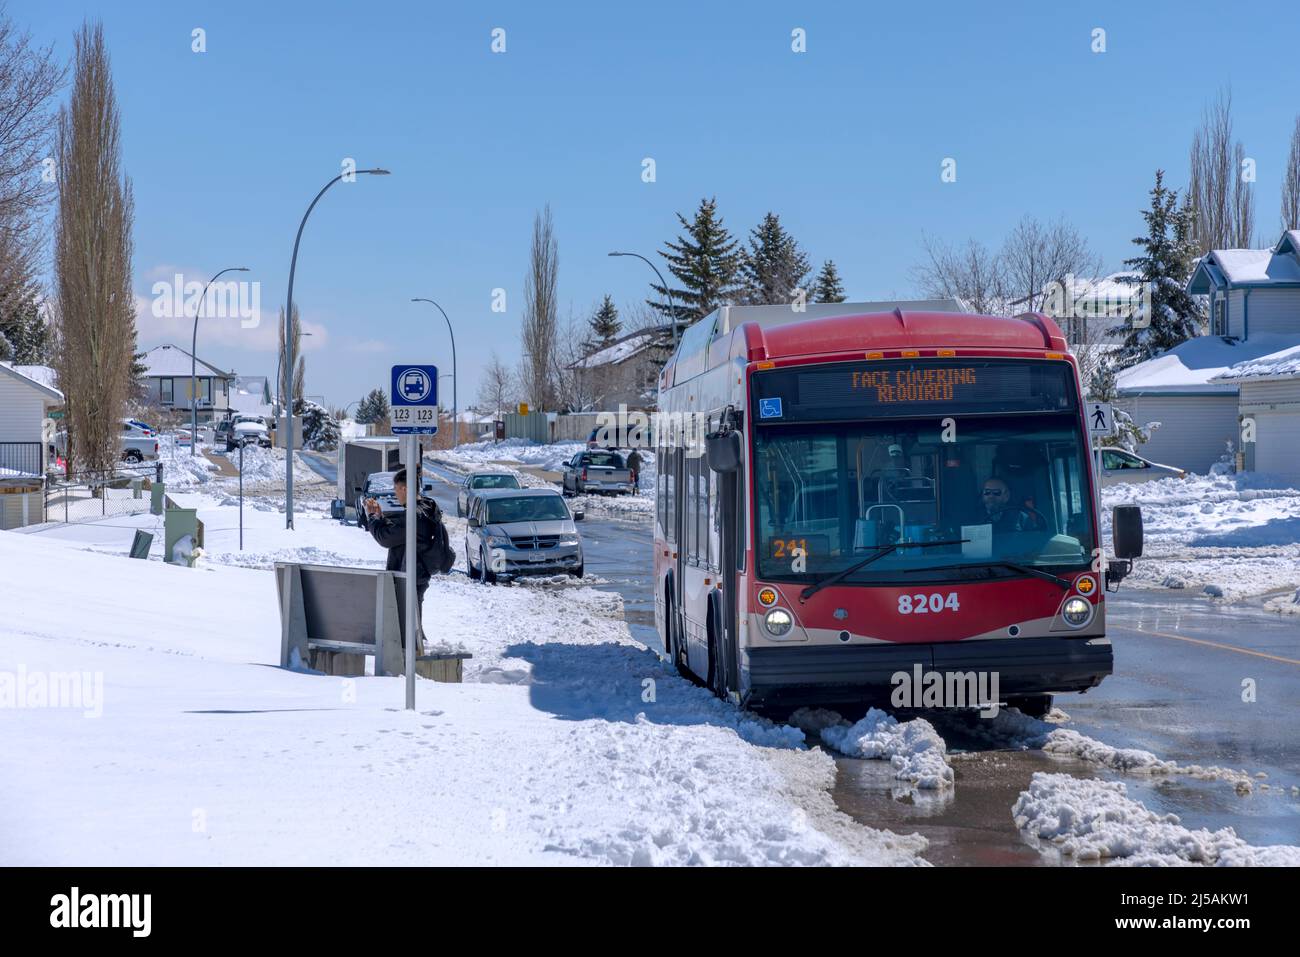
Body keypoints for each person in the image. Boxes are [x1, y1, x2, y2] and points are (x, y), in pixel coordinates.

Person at [364, 467, 454, 645]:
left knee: (409, 629)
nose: (395, 493)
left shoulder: (415, 516)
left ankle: (414, 663)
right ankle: (415, 657)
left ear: (404, 489)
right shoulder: (425, 508)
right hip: (418, 574)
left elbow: (386, 538)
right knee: (412, 625)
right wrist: (381, 518)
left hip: (410, 575)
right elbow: (401, 534)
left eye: (396, 489)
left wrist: (373, 517)